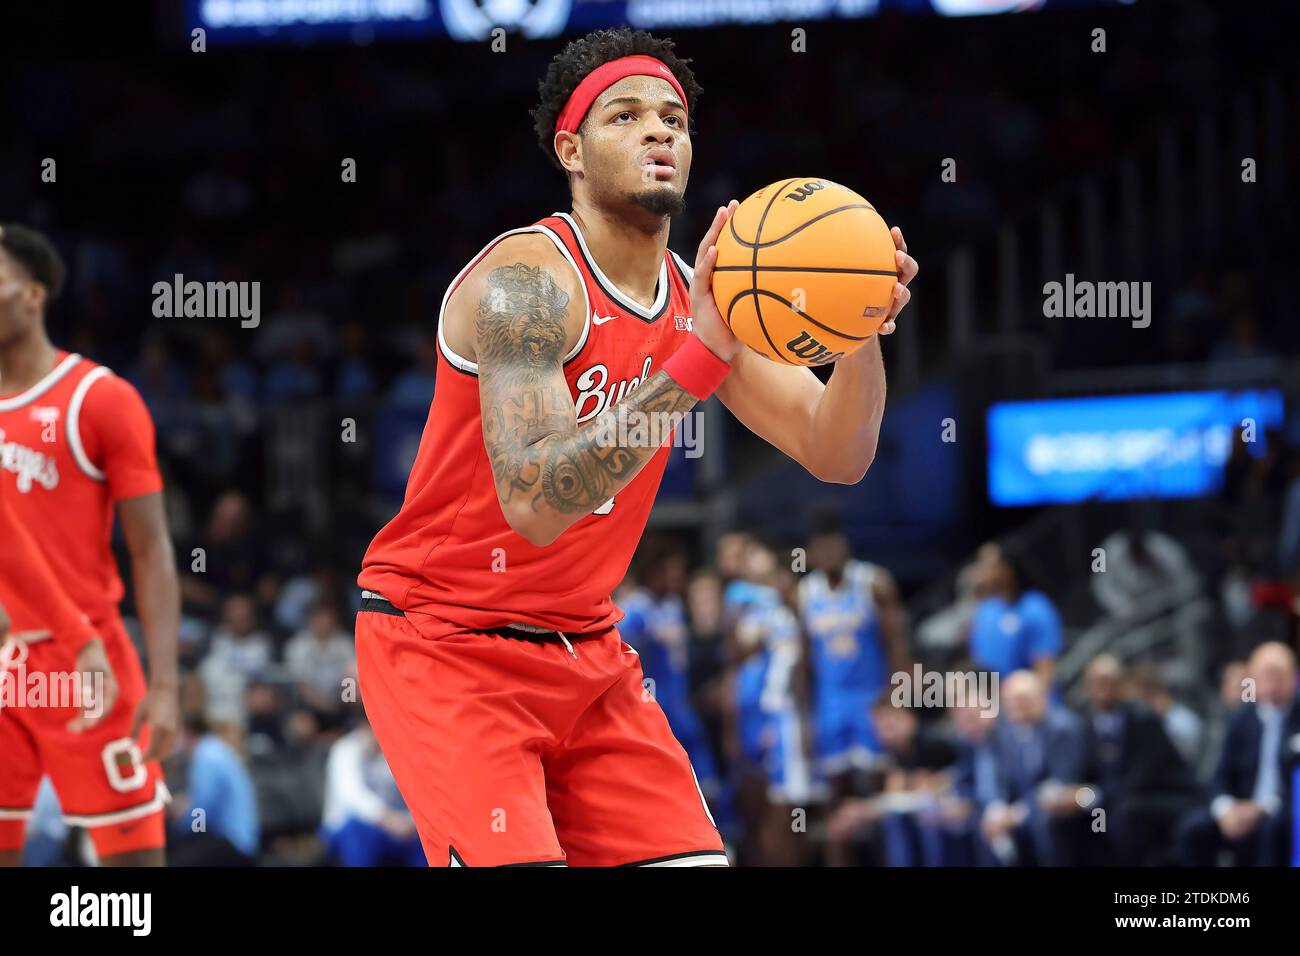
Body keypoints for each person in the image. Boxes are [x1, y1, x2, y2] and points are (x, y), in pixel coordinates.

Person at [354, 27, 917, 867]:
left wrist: (861, 325)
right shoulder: (528, 281)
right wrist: (700, 358)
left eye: (673, 118)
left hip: (587, 651)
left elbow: (836, 451)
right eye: (626, 116)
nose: (659, 132)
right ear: (571, 149)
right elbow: (538, 503)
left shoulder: (700, 299)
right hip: (446, 642)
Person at [0, 224, 180, 866]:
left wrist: (164, 685)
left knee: (131, 880)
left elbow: (153, 550)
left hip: (84, 665)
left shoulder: (99, 399)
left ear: (32, 295)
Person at [798, 519, 908, 792]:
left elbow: (897, 645)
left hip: (872, 696)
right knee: (836, 783)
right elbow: (804, 661)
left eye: (833, 547)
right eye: (820, 549)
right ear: (810, 554)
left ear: (845, 547)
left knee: (879, 777)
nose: (828, 554)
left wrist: (898, 698)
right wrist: (805, 717)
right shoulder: (805, 592)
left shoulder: (873, 583)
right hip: (830, 700)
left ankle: (884, 835)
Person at [1176, 641, 1300, 866]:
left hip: (1282, 809)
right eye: (1265, 675)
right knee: (1192, 829)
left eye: (1278, 674)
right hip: (1239, 808)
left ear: (1293, 677)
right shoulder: (1240, 719)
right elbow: (1219, 776)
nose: (1272, 682)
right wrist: (1226, 809)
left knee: (1275, 828)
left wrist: (1261, 809)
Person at [967, 545, 1063, 686]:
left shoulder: (1035, 607)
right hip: (996, 701)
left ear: (1007, 568)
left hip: (1030, 698)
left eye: (991, 566)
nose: (984, 573)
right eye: (982, 565)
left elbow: (1045, 667)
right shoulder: (985, 611)